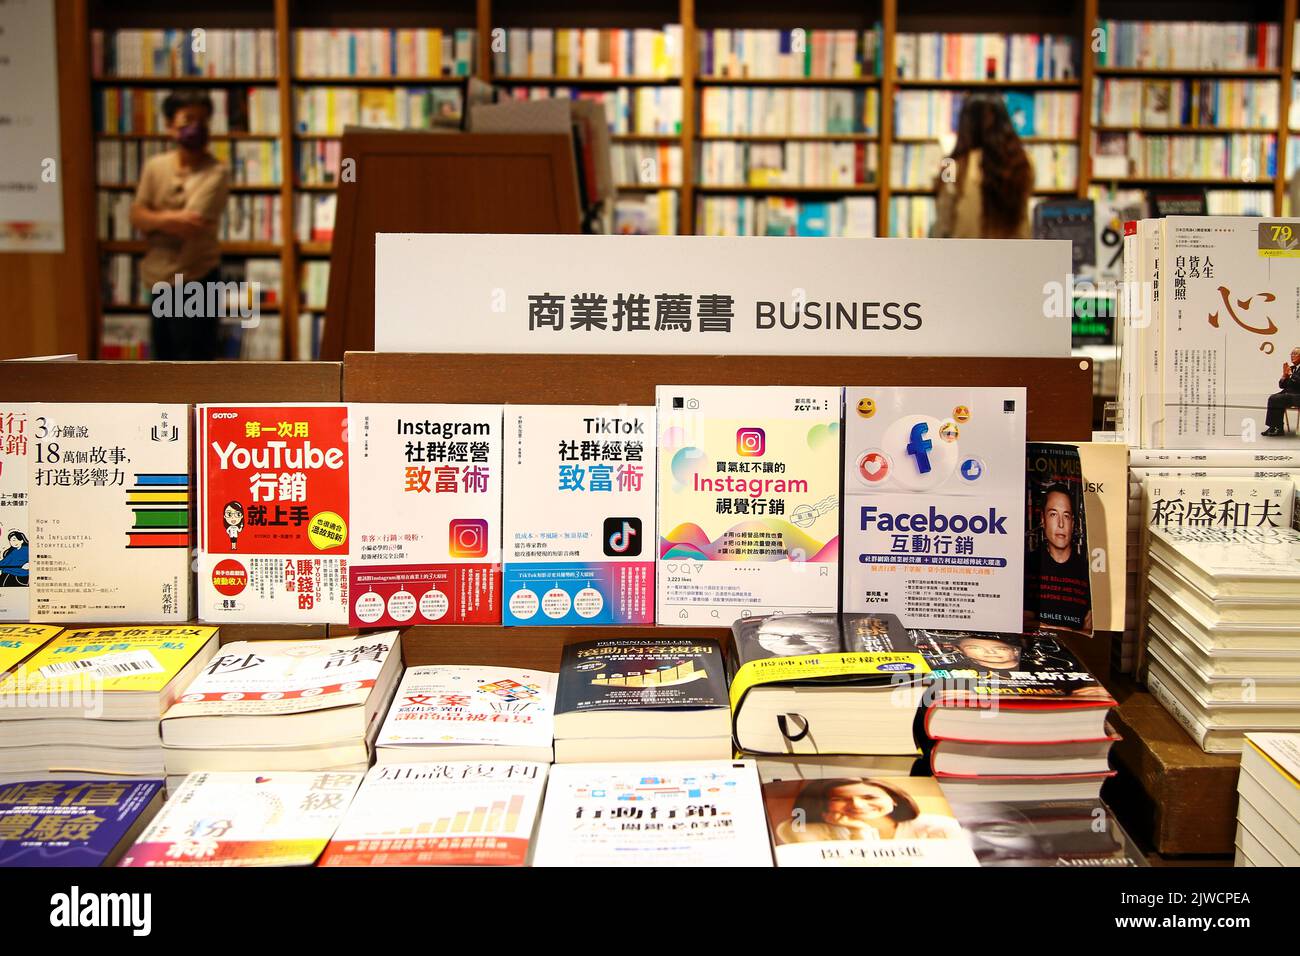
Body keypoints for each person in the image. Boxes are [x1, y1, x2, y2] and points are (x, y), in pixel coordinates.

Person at [130, 89, 230, 360]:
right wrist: (168, 219)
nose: (195, 127)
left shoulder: (217, 172)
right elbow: (137, 216)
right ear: (169, 126)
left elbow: (193, 223)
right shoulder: (155, 166)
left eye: (202, 120)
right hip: (159, 278)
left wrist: (155, 219)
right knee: (162, 359)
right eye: (187, 120)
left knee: (196, 361)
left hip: (197, 276)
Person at [930, 95, 1033, 239]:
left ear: (965, 125)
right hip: (1013, 253)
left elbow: (944, 220)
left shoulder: (952, 164)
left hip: (964, 254)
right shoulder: (1022, 162)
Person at [774, 778, 960, 844]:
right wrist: (858, 831)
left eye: (869, 797)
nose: (857, 805)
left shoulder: (938, 826)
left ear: (894, 800)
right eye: (838, 799)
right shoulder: (805, 829)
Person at [1028, 483, 1093, 634]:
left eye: (1066, 516)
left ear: (1073, 523)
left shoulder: (1087, 572)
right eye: (1053, 514)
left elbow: (1091, 632)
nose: (1061, 524)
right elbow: (1022, 623)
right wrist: (1067, 631)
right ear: (1043, 520)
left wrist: (1042, 625)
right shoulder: (1028, 566)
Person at [1262, 347, 1300, 436]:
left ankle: (1278, 428)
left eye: (1295, 354)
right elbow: (1281, 385)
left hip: (1297, 395)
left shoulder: (1292, 371)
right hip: (1289, 394)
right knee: (1273, 398)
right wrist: (1284, 376)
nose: (1292, 356)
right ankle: (1273, 427)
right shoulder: (1292, 368)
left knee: (1277, 399)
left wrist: (1291, 374)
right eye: (1291, 354)